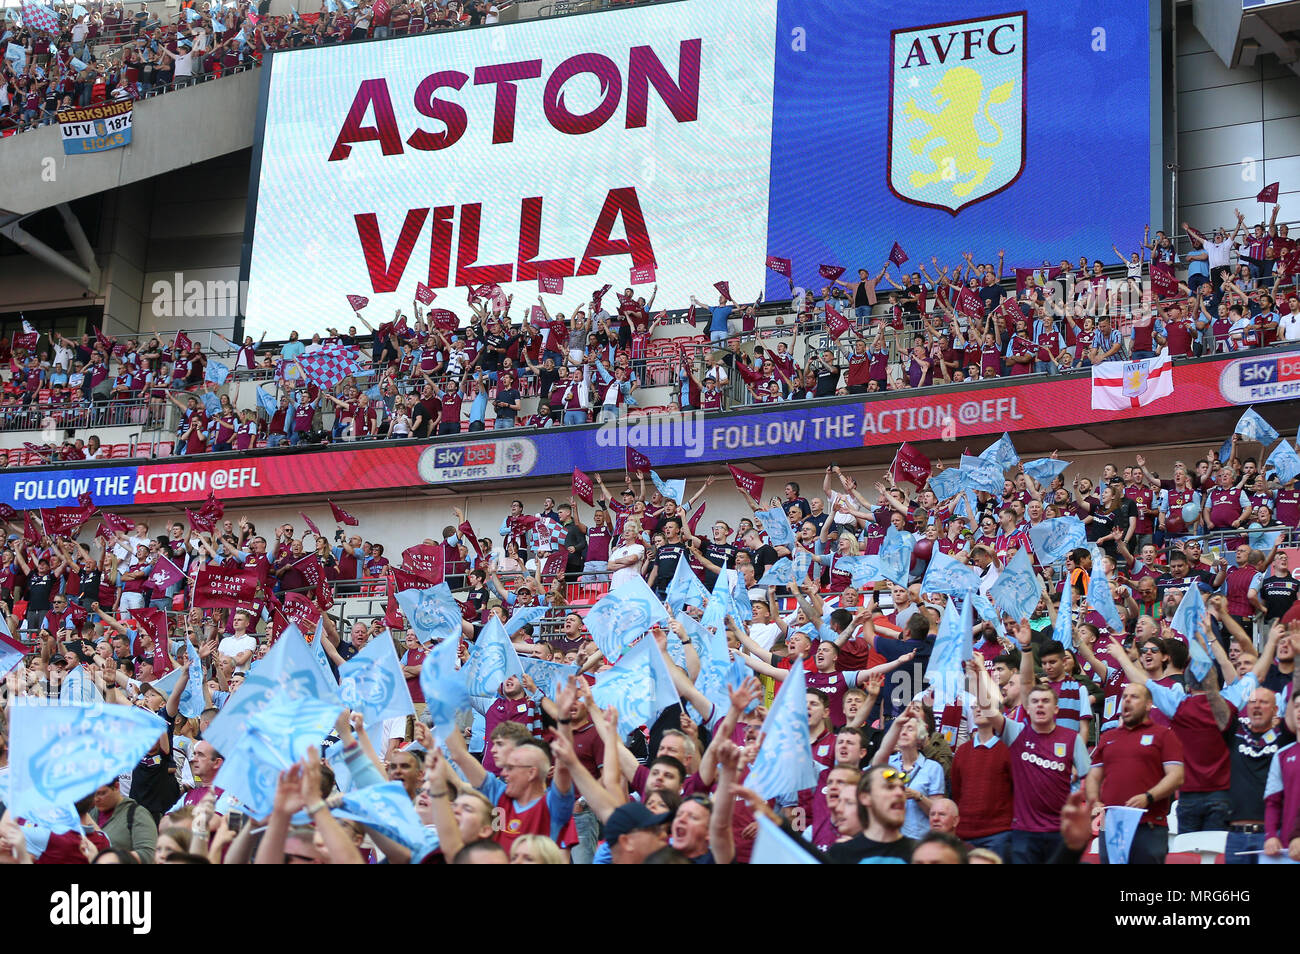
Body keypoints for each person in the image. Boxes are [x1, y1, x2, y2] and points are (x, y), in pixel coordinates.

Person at [1086, 683, 1184, 864]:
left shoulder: (1163, 735)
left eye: (1134, 697)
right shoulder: (1108, 737)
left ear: (1148, 705)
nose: (1127, 700)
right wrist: (1094, 800)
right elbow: (1093, 775)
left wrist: (1149, 796)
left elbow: (1177, 776)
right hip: (1111, 826)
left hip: (1149, 824)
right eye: (1124, 697)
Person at [824, 765, 917, 863]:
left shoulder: (922, 853)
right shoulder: (840, 855)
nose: (899, 793)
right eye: (889, 787)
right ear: (865, 798)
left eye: (902, 788)